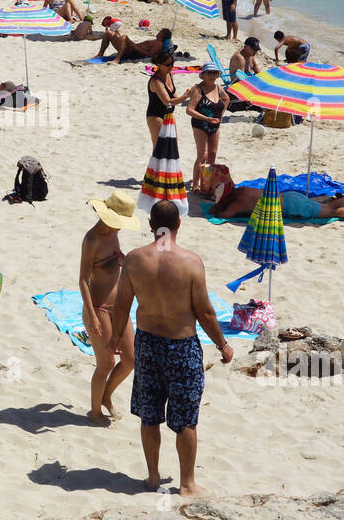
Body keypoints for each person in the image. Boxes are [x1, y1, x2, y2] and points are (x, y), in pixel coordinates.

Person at [110, 200, 234, 495]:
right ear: (179, 224)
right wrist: (223, 344)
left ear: (152, 226)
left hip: (148, 345)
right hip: (182, 349)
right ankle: (187, 484)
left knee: (149, 415)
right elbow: (204, 312)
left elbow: (122, 306)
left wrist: (116, 337)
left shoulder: (134, 260)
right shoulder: (191, 262)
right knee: (186, 420)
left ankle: (153, 478)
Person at [80, 191, 140, 424]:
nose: (119, 227)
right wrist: (93, 317)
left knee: (131, 359)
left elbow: (116, 259)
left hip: (120, 306)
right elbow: (83, 280)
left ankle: (106, 396)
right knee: (105, 364)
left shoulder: (113, 235)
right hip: (99, 308)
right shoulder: (92, 240)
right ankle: (95, 412)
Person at [212, 185, 344, 221]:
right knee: (327, 205)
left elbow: (222, 216)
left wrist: (218, 209)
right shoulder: (242, 190)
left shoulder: (236, 204)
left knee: (332, 213)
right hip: (288, 196)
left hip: (291, 206)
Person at [187, 63, 229, 193]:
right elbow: (189, 110)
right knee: (202, 154)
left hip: (215, 124)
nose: (212, 75)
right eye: (209, 73)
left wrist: (220, 115)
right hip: (200, 124)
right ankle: (195, 185)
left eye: (214, 73)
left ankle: (207, 182)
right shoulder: (197, 89)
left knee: (213, 154)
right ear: (203, 75)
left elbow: (227, 99)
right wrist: (206, 119)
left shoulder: (218, 88)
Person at [145, 51, 193, 148]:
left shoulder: (169, 74)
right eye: (167, 65)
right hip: (156, 116)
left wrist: (187, 97)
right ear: (159, 65)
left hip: (169, 114)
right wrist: (185, 97)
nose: (171, 67)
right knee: (159, 149)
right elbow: (167, 102)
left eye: (172, 63)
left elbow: (173, 95)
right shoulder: (156, 81)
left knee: (172, 146)